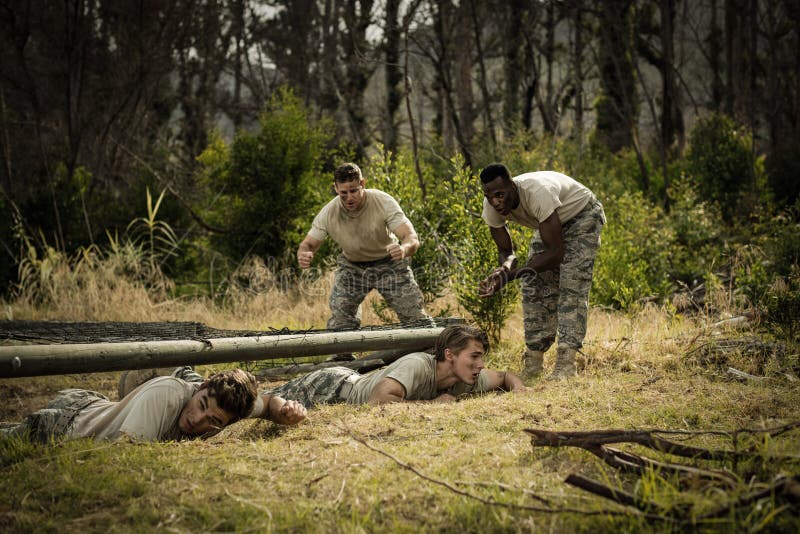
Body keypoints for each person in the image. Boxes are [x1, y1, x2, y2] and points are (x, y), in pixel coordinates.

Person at [477, 164, 606, 380]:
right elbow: (506, 252)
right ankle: (533, 364)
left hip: (582, 214)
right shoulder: (491, 206)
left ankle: (566, 365)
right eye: (489, 196)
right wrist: (503, 270)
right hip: (550, 223)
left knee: (571, 285)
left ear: (512, 186)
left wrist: (513, 275)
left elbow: (556, 253)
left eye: (500, 195)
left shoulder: (537, 193)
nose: (495, 202)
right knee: (533, 283)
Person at [296, 162, 433, 360]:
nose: (349, 197)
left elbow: (411, 238)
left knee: (414, 315)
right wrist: (305, 254)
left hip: (389, 263)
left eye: (353, 190)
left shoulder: (382, 201)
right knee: (341, 318)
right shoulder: (329, 212)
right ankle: (342, 363)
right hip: (352, 267)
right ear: (335, 188)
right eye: (343, 193)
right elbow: (308, 244)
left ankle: (430, 354)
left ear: (362, 183)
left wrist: (403, 249)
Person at [1, 369, 307, 443]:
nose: (197, 420)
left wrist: (285, 412)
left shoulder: (230, 407)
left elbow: (266, 404)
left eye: (213, 421)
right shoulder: (169, 395)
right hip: (66, 424)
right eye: (201, 405)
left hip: (98, 406)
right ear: (201, 387)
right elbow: (126, 456)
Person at [263, 324, 528, 408]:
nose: (480, 365)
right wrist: (433, 406)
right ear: (450, 355)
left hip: (349, 382)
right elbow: (378, 401)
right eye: (474, 357)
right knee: (263, 402)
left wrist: (519, 390)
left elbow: (505, 377)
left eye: (481, 357)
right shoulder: (417, 365)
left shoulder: (467, 376)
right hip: (331, 387)